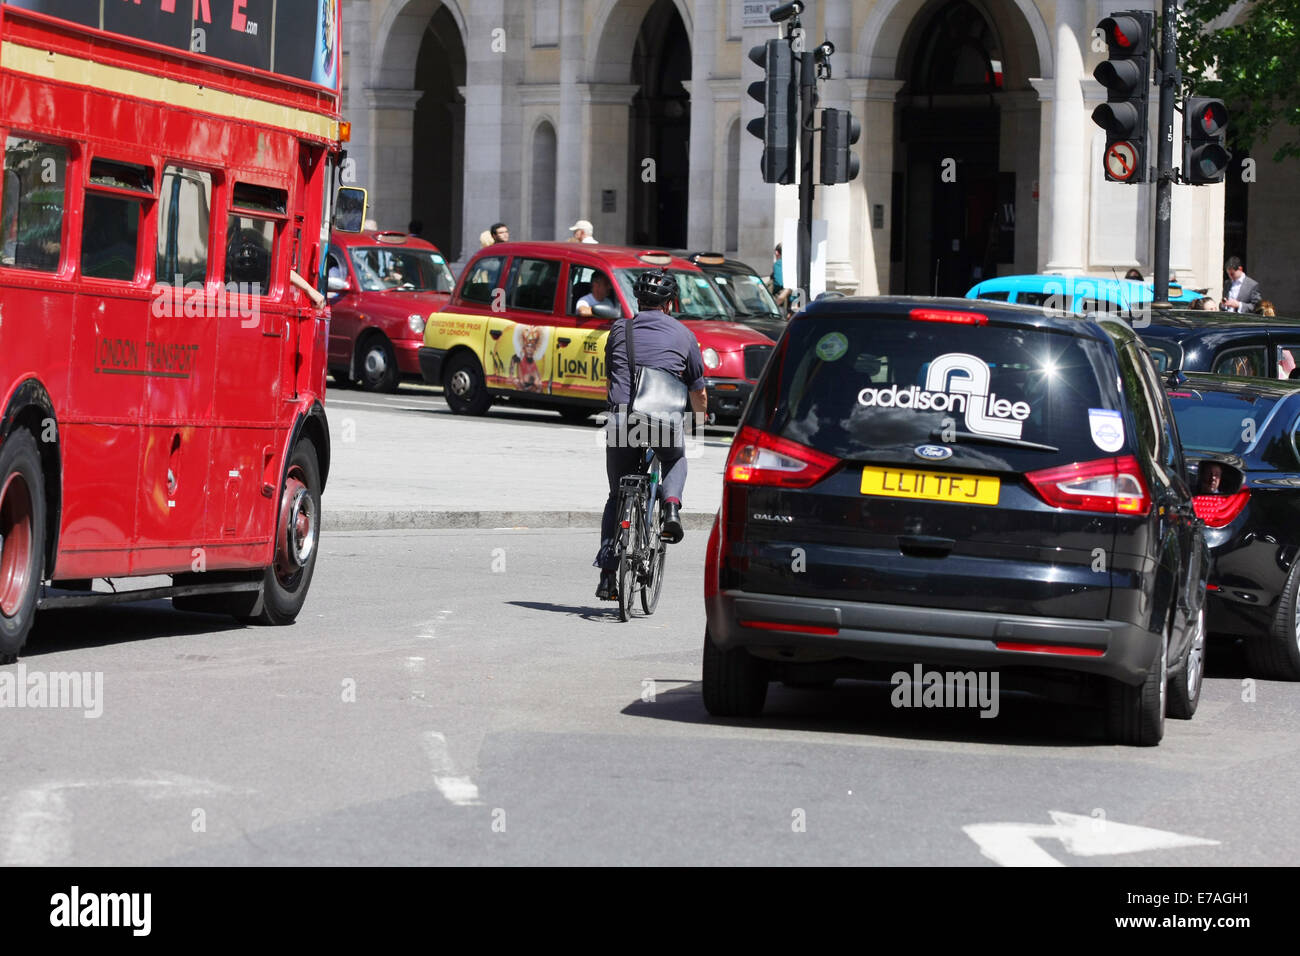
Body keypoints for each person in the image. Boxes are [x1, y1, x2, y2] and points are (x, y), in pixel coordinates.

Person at [594, 269, 707, 601]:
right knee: (675, 457)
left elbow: (610, 377)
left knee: (616, 496)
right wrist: (699, 424)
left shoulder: (619, 330)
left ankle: (607, 577)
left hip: (620, 420)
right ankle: (671, 508)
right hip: (661, 419)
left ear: (638, 300)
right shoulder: (685, 335)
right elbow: (697, 391)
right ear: (670, 303)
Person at [770, 243, 791, 312]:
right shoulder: (792, 264)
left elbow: (781, 283)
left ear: (776, 252)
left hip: (783, 305)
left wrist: (774, 306)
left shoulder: (779, 263)